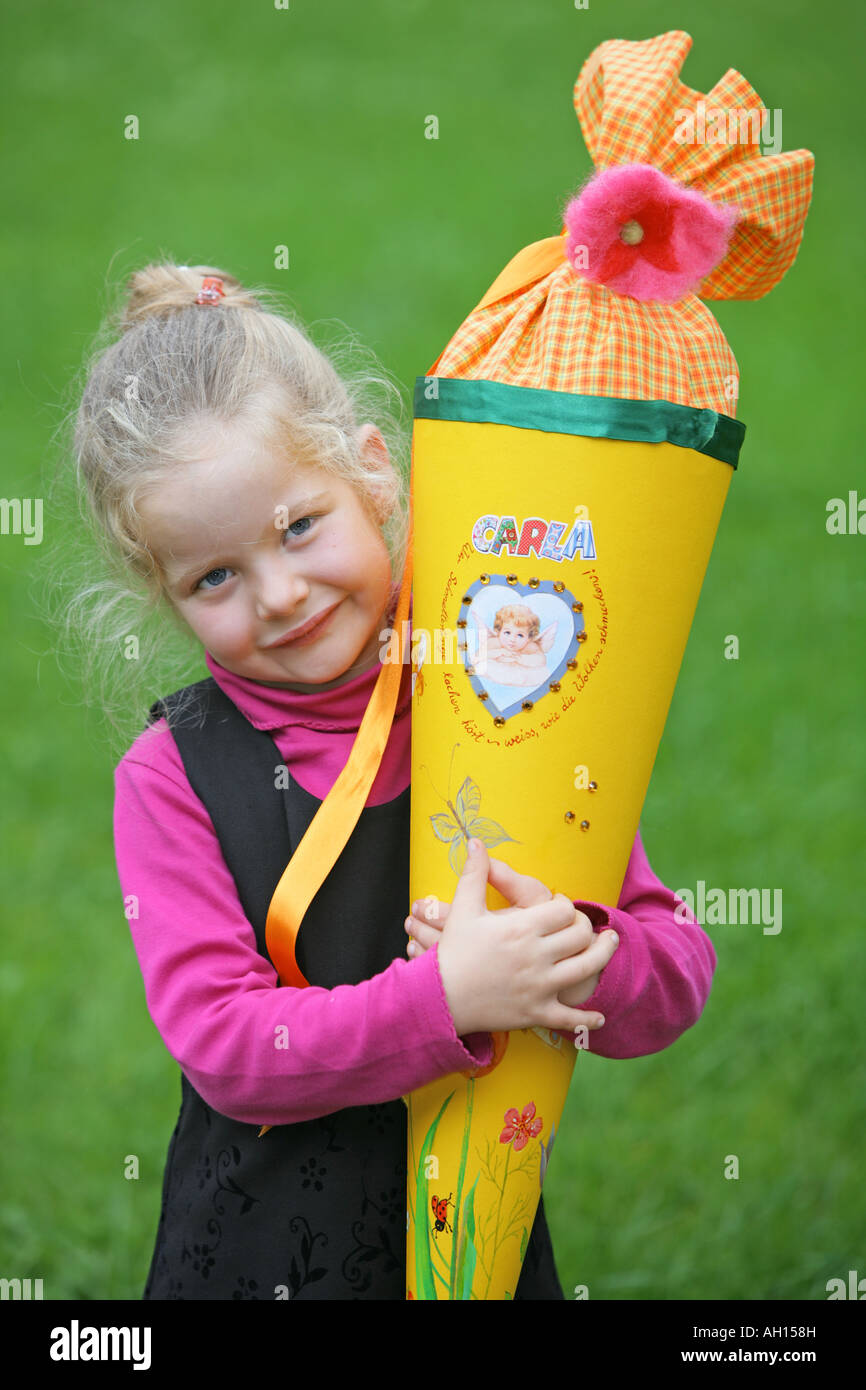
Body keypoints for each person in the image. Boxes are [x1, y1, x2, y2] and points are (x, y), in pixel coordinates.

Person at [69, 262, 716, 1300]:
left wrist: (572, 959)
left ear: (371, 475)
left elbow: (676, 965)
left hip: (479, 1234)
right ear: (164, 595)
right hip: (263, 1250)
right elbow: (223, 1047)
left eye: (298, 527)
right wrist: (447, 997)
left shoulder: (501, 699)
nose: (279, 594)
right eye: (214, 577)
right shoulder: (170, 778)